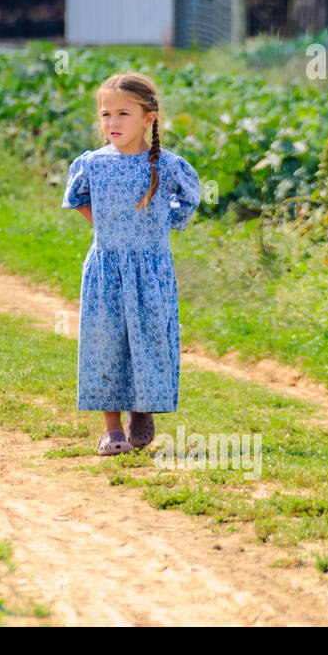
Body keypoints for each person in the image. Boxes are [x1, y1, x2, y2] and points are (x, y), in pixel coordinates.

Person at [60, 71, 202, 456]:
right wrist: (107, 228)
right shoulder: (93, 164)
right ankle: (111, 428)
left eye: (123, 114)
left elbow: (189, 200)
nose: (112, 123)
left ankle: (142, 410)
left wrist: (159, 227)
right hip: (105, 268)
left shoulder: (169, 166)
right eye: (106, 115)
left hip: (151, 270)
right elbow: (77, 199)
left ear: (148, 118)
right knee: (105, 343)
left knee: (149, 340)